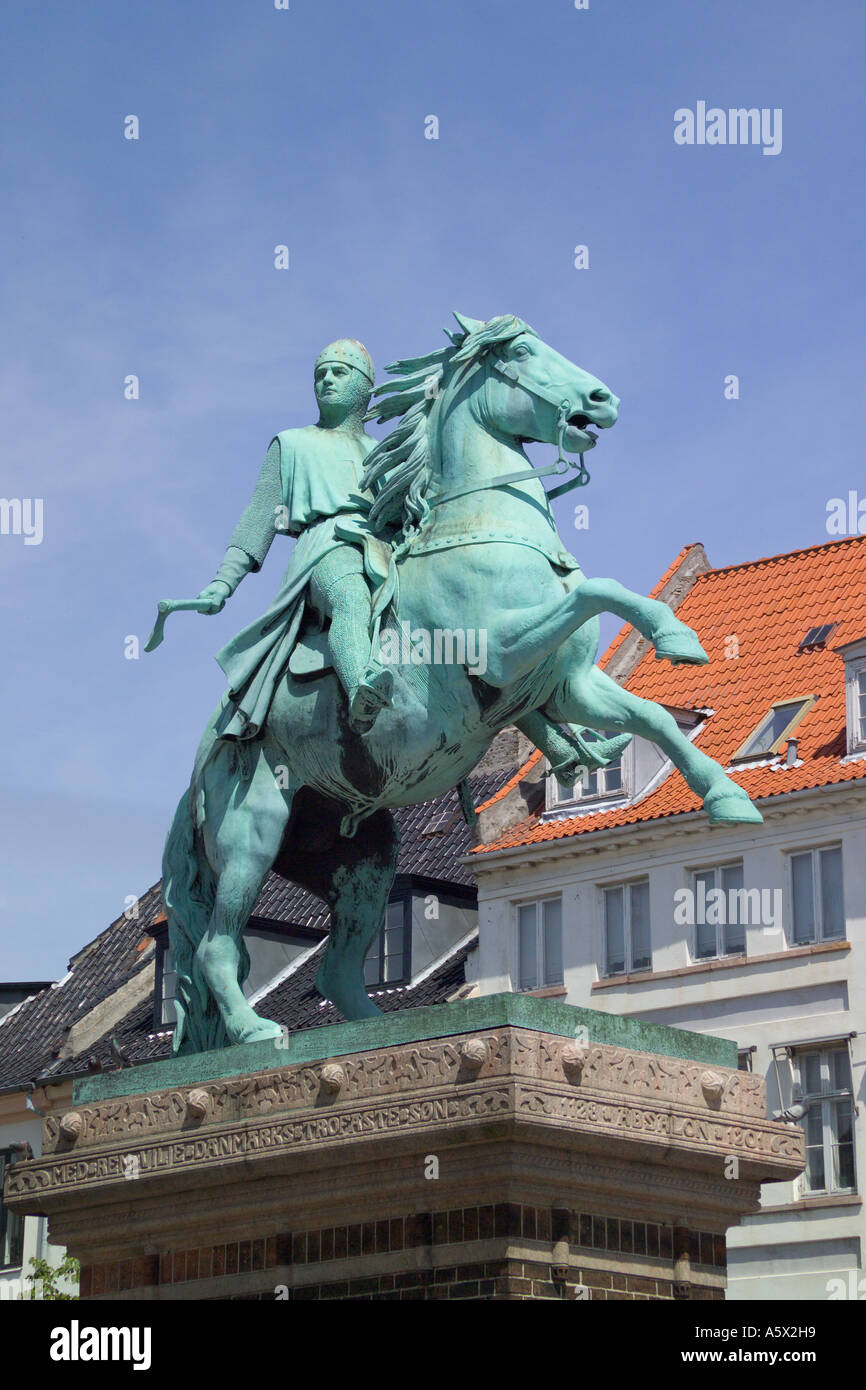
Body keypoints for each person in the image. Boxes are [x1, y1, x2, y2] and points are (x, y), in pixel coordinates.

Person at [196, 339, 393, 738]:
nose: (326, 380)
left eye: (340, 372)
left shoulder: (382, 453)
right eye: (320, 374)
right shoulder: (292, 444)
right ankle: (360, 691)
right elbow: (257, 522)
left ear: (366, 385)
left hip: (383, 549)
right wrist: (222, 582)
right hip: (326, 547)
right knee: (351, 597)